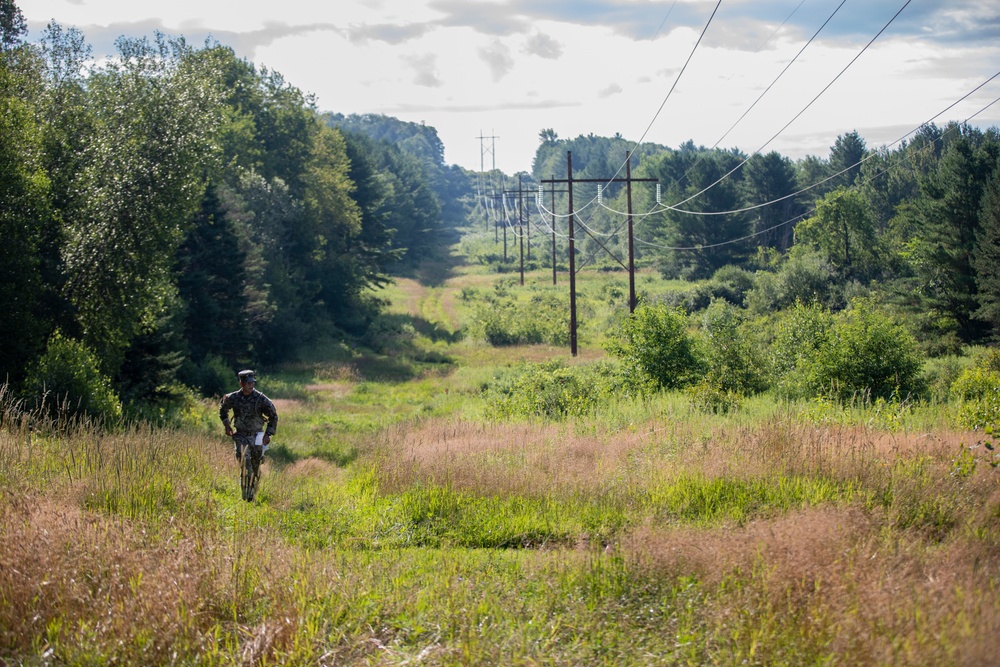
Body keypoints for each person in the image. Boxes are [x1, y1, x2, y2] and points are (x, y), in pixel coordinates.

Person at [219, 369, 278, 468]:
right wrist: (226, 425)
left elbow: (273, 416)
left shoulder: (261, 399)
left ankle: (253, 481)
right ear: (241, 383)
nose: (251, 385)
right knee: (243, 460)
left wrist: (268, 434)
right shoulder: (233, 397)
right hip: (240, 435)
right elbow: (223, 409)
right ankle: (245, 481)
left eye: (252, 382)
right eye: (248, 383)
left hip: (257, 436)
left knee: (256, 464)